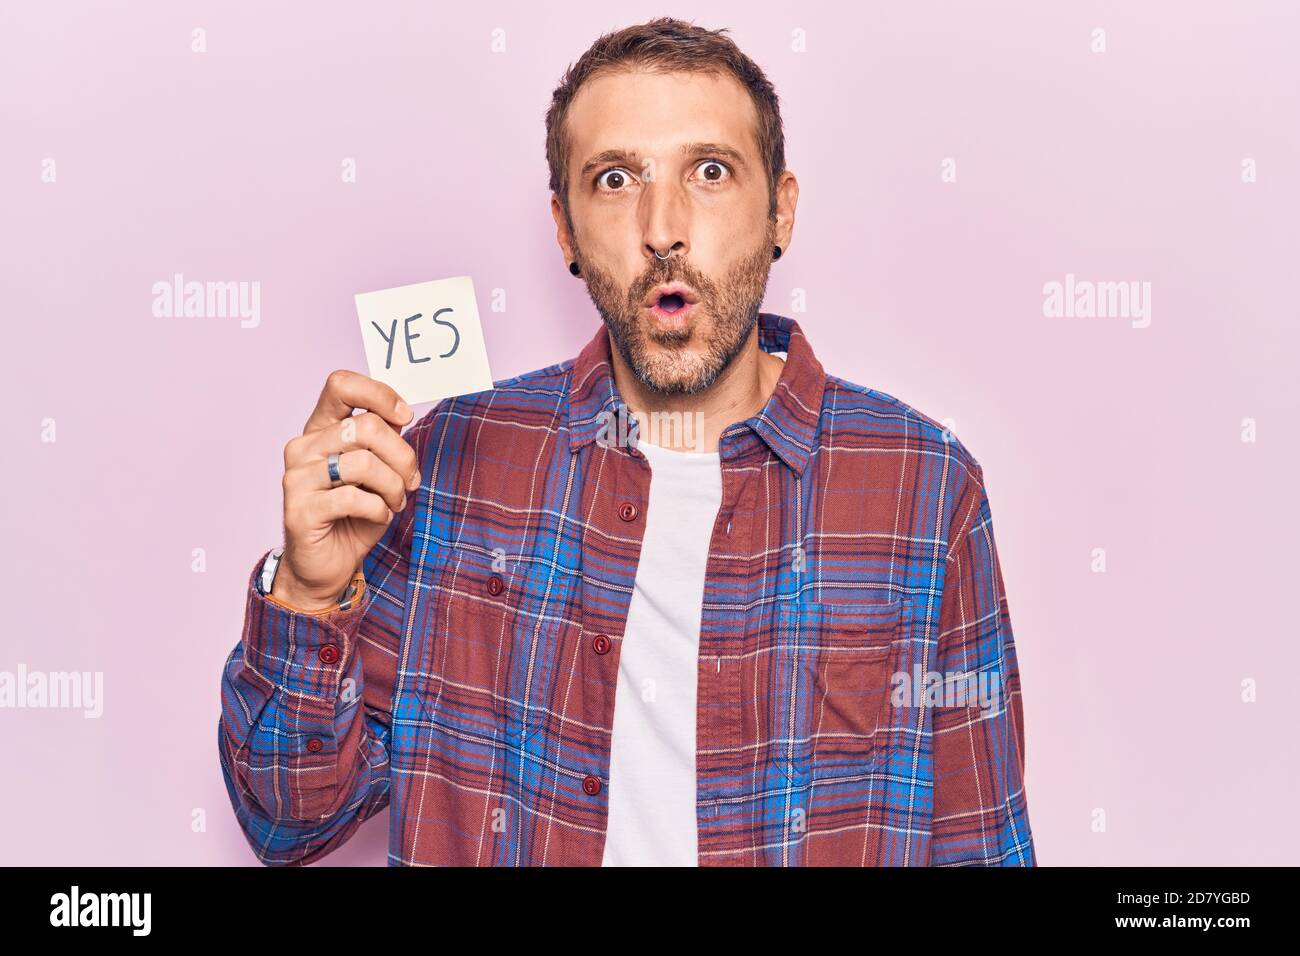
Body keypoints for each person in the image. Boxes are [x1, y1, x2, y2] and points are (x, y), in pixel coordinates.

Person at [218, 16, 1035, 867]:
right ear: (565, 230)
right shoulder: (448, 462)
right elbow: (289, 822)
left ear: (781, 212)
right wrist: (309, 594)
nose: (663, 227)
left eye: (710, 172)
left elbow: (981, 846)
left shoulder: (923, 486)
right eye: (614, 179)